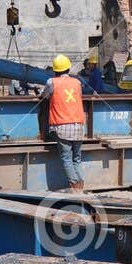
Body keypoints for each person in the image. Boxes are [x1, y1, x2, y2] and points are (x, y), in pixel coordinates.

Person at [39, 54, 86, 191]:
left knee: (66, 158)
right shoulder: (77, 82)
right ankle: (81, 184)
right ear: (68, 68)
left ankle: (74, 184)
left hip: (61, 126)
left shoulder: (51, 82)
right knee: (76, 158)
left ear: (55, 70)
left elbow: (45, 96)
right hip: (78, 125)